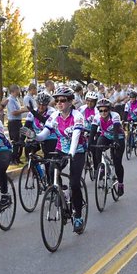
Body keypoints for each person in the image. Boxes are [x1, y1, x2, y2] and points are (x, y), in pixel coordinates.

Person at [34, 86, 90, 234]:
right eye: (57, 100)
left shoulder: (77, 116)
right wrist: (34, 136)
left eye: (63, 100)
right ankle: (62, 192)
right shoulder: (54, 116)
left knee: (74, 183)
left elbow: (77, 136)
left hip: (77, 151)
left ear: (71, 101)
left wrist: (71, 153)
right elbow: (44, 134)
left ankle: (78, 216)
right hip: (61, 148)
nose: (59, 103)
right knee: (52, 171)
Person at [88, 98, 126, 195]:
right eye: (101, 110)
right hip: (105, 136)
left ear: (109, 110)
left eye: (105, 110)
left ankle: (120, 184)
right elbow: (92, 131)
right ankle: (99, 169)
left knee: (117, 162)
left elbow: (116, 130)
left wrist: (116, 142)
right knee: (97, 147)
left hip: (118, 137)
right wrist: (89, 144)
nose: (103, 112)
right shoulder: (97, 117)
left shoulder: (115, 116)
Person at [6, 85, 29, 164]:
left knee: (20, 139)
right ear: (14, 90)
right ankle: (13, 159)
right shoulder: (10, 100)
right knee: (15, 140)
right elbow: (14, 112)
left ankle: (17, 157)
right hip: (13, 122)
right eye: (18, 90)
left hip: (18, 122)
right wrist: (24, 110)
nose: (19, 91)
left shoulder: (16, 99)